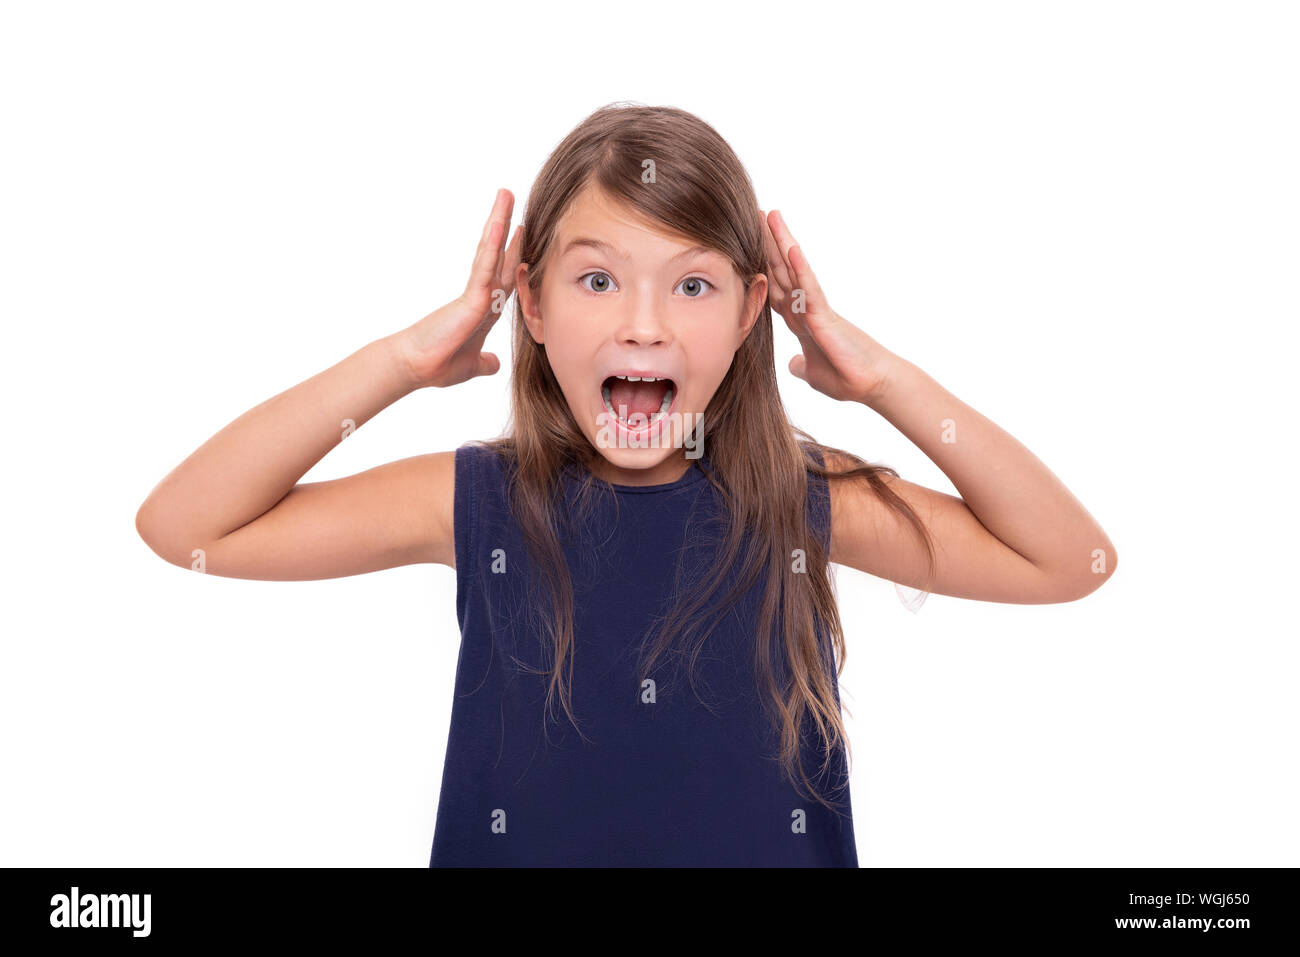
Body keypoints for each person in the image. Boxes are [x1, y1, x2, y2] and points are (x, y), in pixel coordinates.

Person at [135, 103, 1117, 867]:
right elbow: (187, 525)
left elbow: (1069, 559)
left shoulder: (802, 500)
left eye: (691, 286)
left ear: (748, 315)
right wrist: (401, 358)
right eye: (597, 280)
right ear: (531, 305)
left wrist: (882, 377)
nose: (643, 325)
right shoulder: (479, 499)